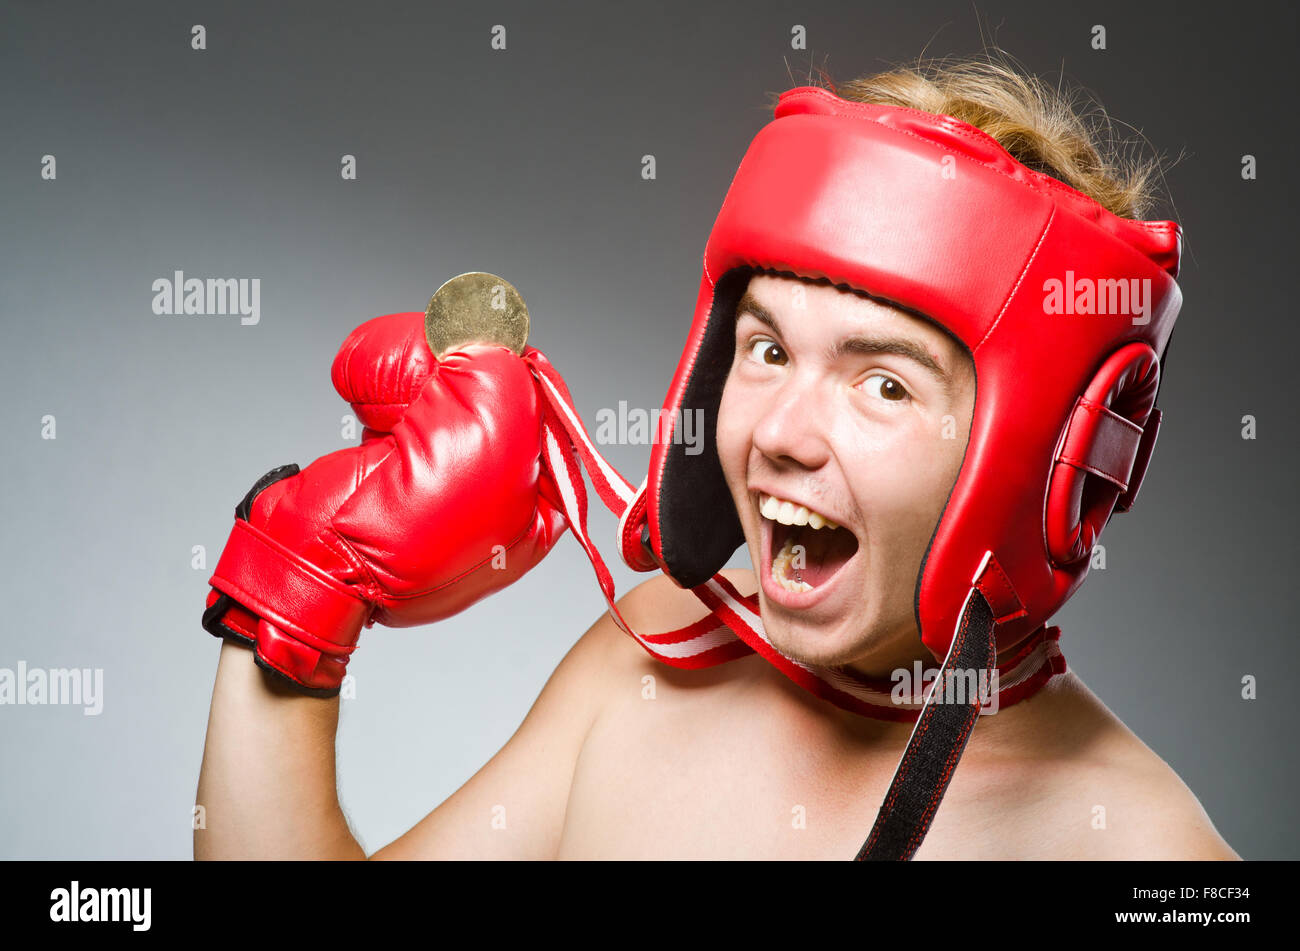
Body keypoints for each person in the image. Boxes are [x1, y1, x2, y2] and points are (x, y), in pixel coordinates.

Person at [194, 55, 1240, 860]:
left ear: (1043, 470)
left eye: (884, 383)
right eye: (768, 350)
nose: (778, 432)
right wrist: (303, 586)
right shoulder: (648, 661)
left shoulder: (1137, 845)